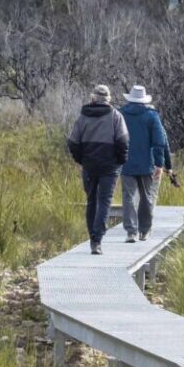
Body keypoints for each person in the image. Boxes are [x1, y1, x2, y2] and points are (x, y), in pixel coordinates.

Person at [67, 84, 129, 254]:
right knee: (105, 201)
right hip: (110, 165)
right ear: (108, 99)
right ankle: (97, 240)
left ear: (92, 98)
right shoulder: (116, 116)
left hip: (89, 164)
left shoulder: (82, 117)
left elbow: (73, 142)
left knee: (91, 201)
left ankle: (93, 238)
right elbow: (123, 141)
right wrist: (120, 160)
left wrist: (81, 159)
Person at [118, 84, 173, 243]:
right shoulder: (151, 115)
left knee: (128, 197)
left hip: (126, 162)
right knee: (146, 196)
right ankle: (144, 230)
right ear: (144, 99)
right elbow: (159, 142)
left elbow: (116, 138)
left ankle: (131, 231)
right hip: (146, 163)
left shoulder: (121, 114)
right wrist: (159, 164)